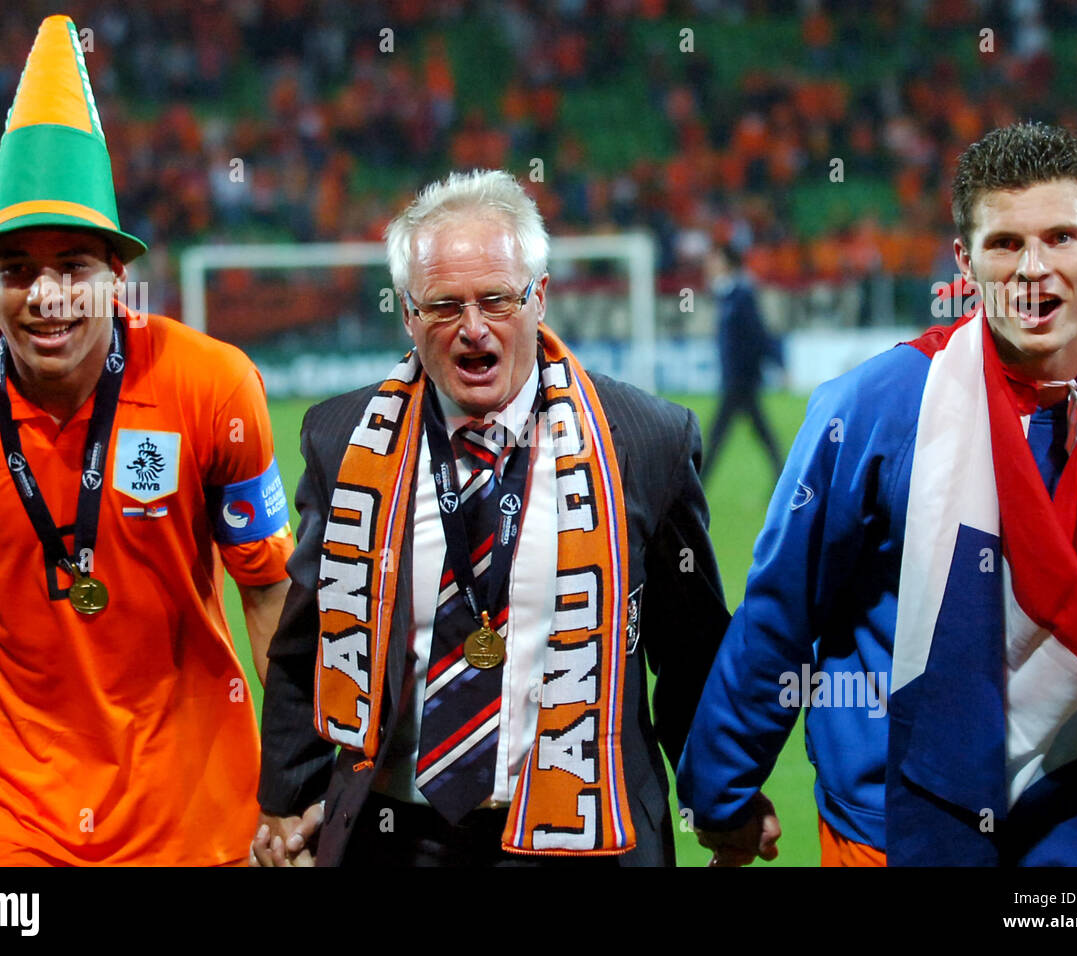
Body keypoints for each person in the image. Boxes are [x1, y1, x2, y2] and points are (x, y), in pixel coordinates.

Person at [677, 121, 1077, 866]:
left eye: (1061, 238)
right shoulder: (876, 409)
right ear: (964, 260)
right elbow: (781, 610)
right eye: (1005, 244)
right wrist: (722, 790)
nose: (1033, 270)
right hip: (893, 827)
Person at [0, 15, 293, 867]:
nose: (47, 296)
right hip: (11, 806)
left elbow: (266, 592)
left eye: (73, 266)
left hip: (195, 803)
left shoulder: (212, 387)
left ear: (118, 275)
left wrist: (300, 786)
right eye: (18, 270)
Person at [252, 169, 729, 866]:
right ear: (409, 316)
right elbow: (306, 646)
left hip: (586, 835)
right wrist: (288, 803)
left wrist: (722, 801)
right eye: (444, 306)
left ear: (539, 298)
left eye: (496, 300)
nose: (473, 329)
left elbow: (690, 656)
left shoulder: (645, 440)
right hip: (399, 838)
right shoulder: (343, 439)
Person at [700, 243, 783, 481]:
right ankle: (784, 477)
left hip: (741, 378)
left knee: (716, 435)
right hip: (735, 378)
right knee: (761, 433)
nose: (709, 264)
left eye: (714, 259)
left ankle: (693, 488)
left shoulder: (743, 294)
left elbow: (758, 333)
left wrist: (775, 362)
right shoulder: (725, 294)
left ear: (726, 263)